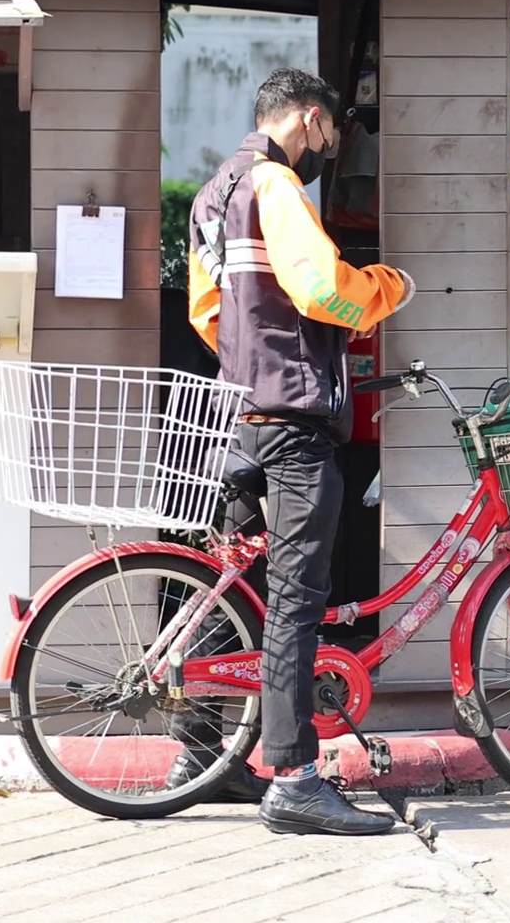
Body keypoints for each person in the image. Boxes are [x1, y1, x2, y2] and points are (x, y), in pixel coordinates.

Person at [187, 67, 417, 835]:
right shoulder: (276, 188)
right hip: (291, 426)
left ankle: (200, 753)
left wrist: (258, 360)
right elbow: (323, 290)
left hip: (240, 413)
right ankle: (294, 779)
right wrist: (384, 289)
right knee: (293, 604)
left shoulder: (213, 191)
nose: (329, 149)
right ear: (313, 121)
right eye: (332, 135)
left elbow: (206, 312)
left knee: (232, 590)